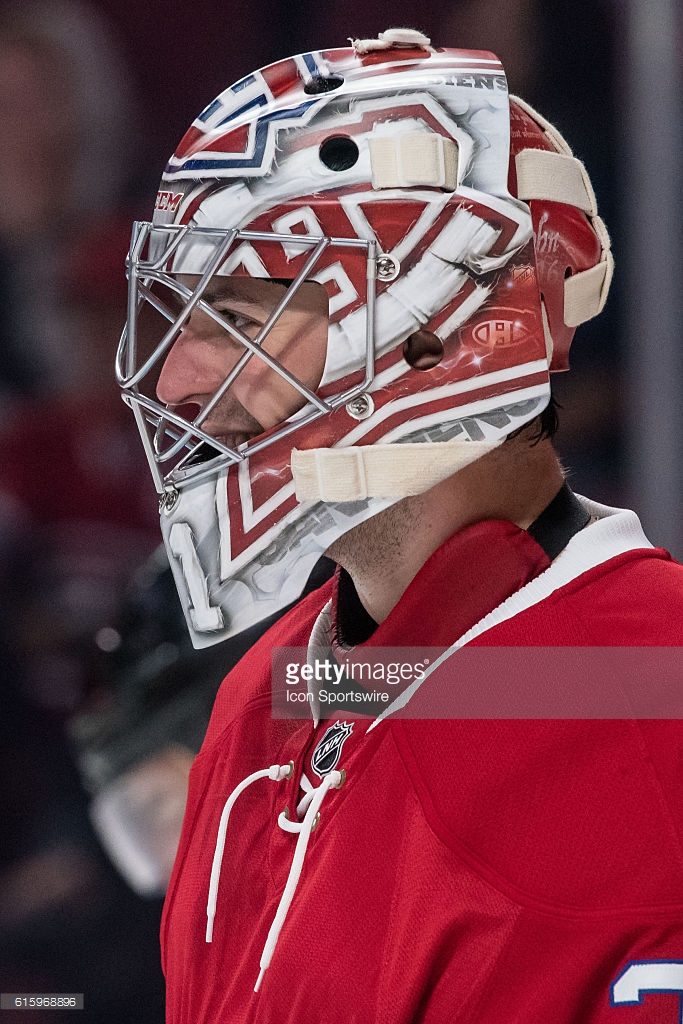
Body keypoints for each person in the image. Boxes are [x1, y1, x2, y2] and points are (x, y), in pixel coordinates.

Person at [116, 28, 683, 1023]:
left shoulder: (651, 699)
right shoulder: (264, 695)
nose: (180, 380)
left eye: (243, 317)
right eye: (186, 316)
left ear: (443, 335)